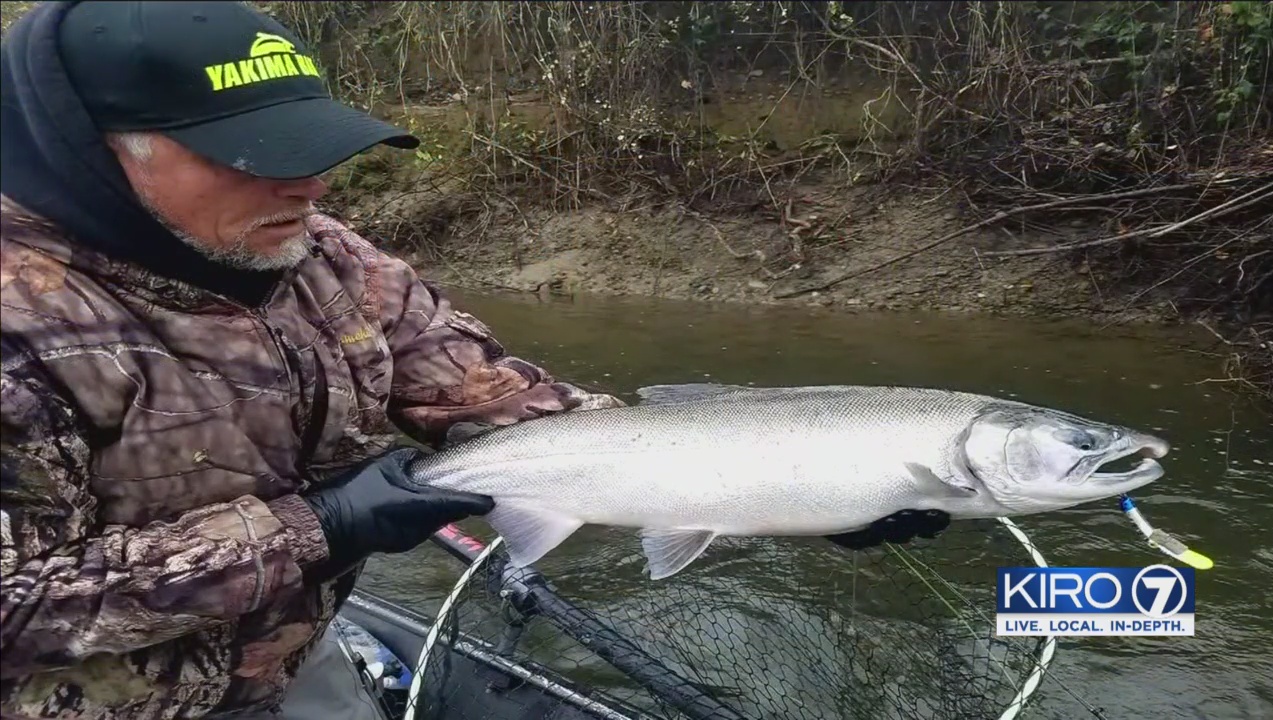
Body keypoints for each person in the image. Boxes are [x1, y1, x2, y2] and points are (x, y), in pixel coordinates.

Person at [0, 2, 947, 719]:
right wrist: (319, 528)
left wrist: (787, 483)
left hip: (292, 663)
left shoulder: (319, 255)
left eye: (311, 147)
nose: (312, 183)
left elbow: (486, 395)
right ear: (93, 153)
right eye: (253, 155)